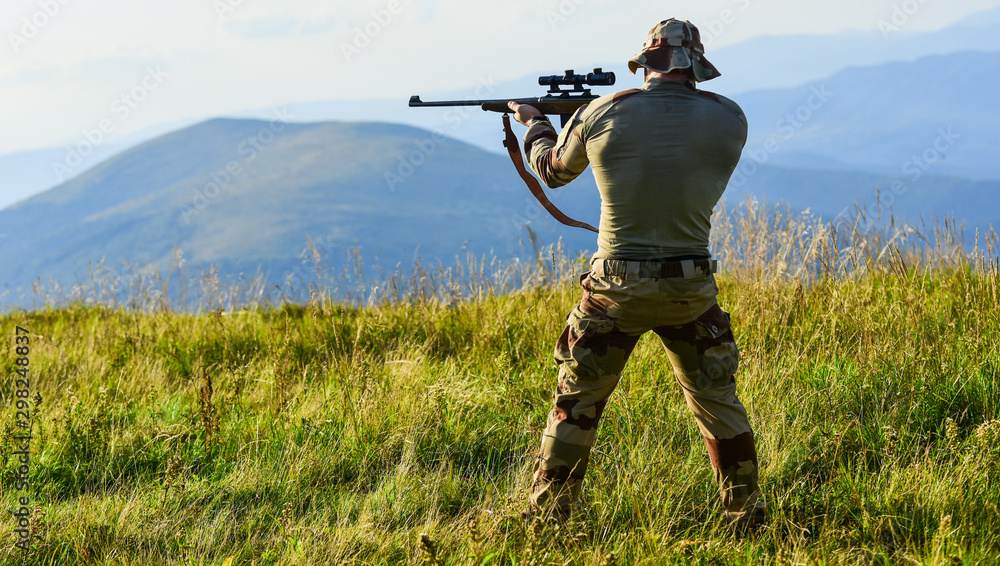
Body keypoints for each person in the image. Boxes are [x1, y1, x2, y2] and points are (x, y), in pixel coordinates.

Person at [508, 18, 765, 527]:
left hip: (614, 287)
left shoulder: (602, 111)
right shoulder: (731, 118)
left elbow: (553, 172)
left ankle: (549, 518)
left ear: (646, 61)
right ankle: (745, 515)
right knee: (717, 400)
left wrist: (536, 124)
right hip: (690, 285)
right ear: (696, 64)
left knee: (577, 402)